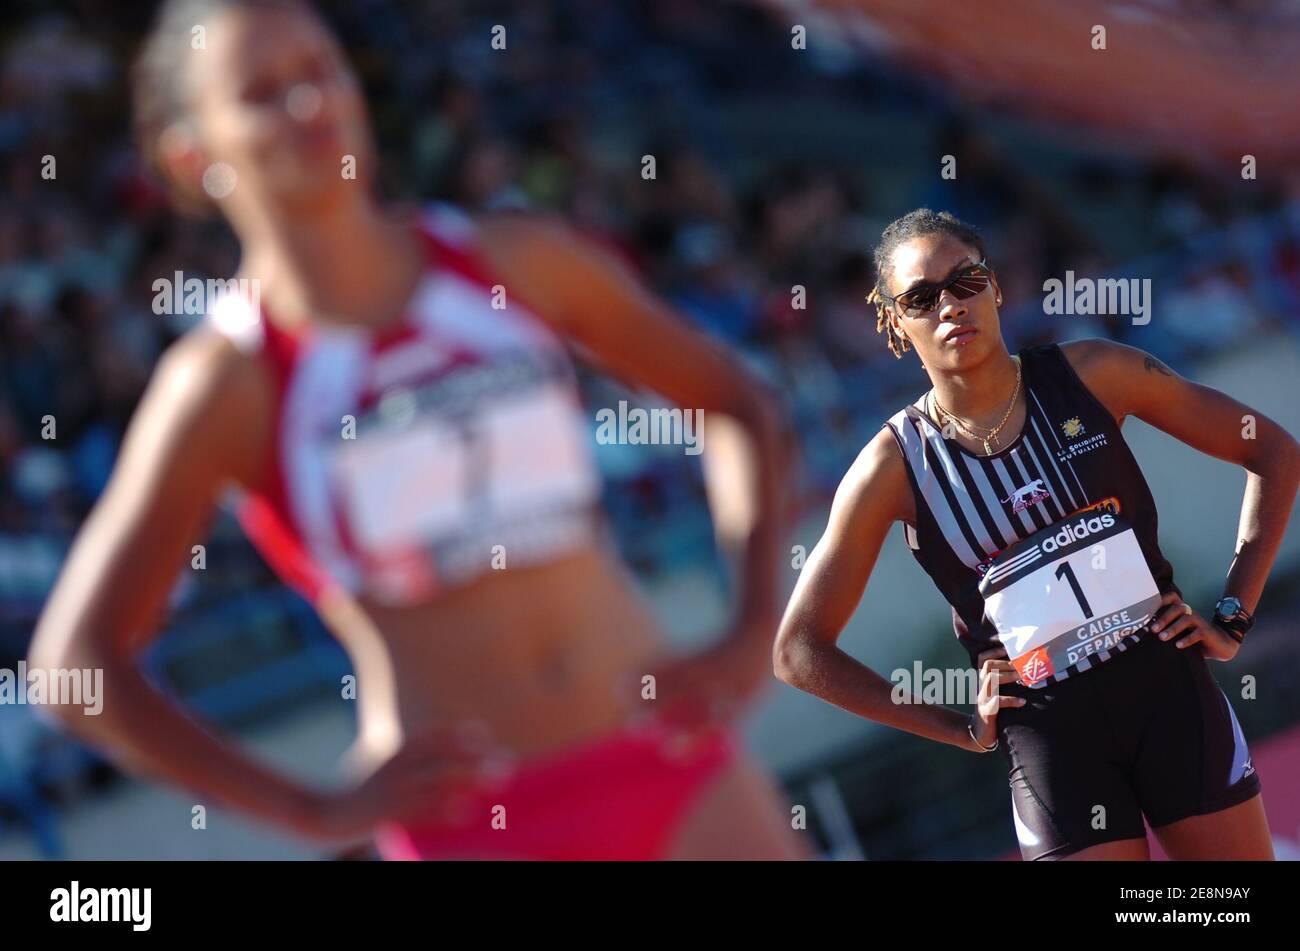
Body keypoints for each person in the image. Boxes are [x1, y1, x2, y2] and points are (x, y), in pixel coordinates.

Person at [29, 0, 806, 861]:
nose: (305, 105)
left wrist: (751, 628)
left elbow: (736, 402)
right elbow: (75, 664)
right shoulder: (226, 383)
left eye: (319, 72)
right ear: (194, 154)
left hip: (670, 759)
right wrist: (310, 809)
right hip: (472, 826)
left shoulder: (516, 263)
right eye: (261, 91)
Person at [774, 208, 1300, 860]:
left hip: (1171, 702)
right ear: (894, 323)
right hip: (1052, 744)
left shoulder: (1097, 373)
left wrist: (1233, 611)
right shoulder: (891, 468)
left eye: (966, 280)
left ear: (995, 286)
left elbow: (1274, 452)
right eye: (922, 296)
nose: (951, 306)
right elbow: (799, 651)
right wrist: (959, 727)